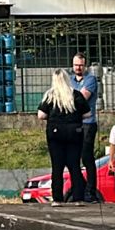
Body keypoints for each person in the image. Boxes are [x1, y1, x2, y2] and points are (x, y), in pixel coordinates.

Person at [37, 69, 89, 206]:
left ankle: (57, 199)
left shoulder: (50, 95)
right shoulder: (75, 95)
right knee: (74, 166)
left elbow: (41, 115)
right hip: (74, 134)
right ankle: (79, 198)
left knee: (57, 167)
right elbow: (87, 114)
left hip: (55, 134)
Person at [71, 53, 100, 202]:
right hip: (74, 123)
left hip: (88, 123)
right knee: (72, 159)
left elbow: (81, 99)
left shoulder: (90, 80)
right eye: (76, 65)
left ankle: (91, 192)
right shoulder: (71, 81)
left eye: (81, 65)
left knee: (87, 157)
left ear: (85, 65)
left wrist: (68, 97)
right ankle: (80, 188)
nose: (78, 68)